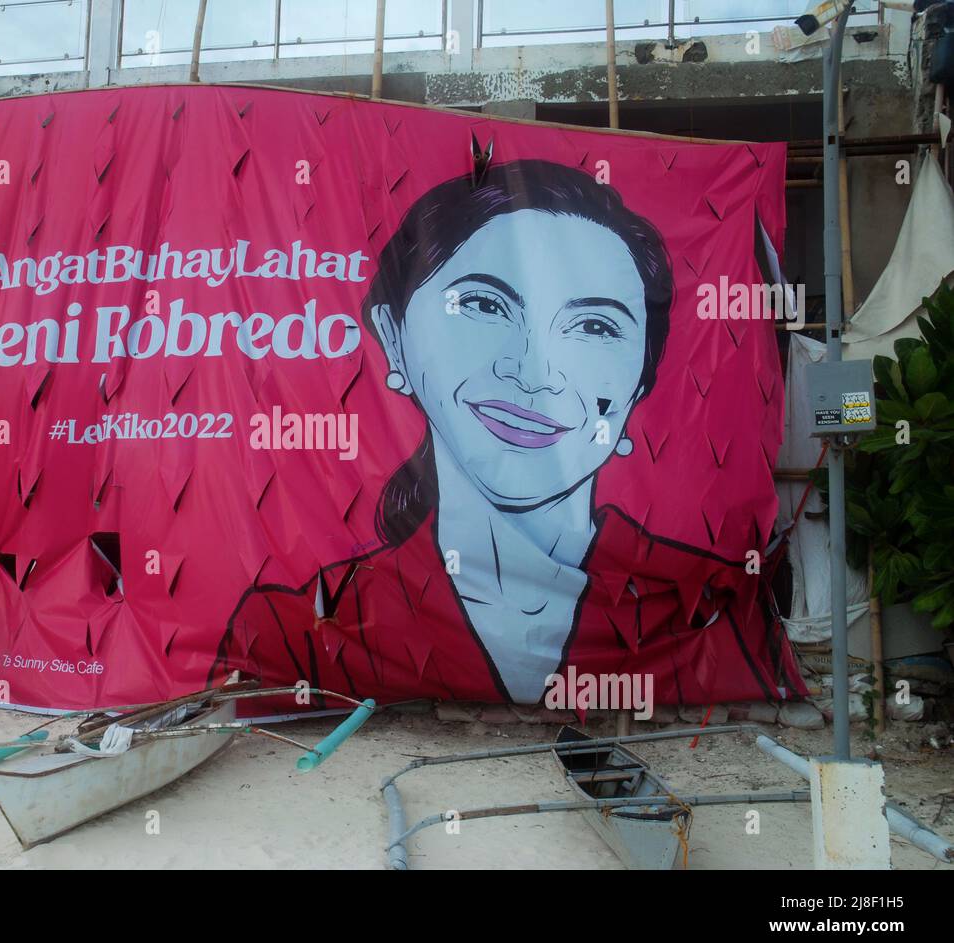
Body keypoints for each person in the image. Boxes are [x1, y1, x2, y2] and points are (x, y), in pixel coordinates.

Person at [212, 159, 802, 709]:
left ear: (638, 389)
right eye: (485, 306)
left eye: (594, 325)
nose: (535, 372)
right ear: (395, 338)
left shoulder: (709, 611)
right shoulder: (297, 632)